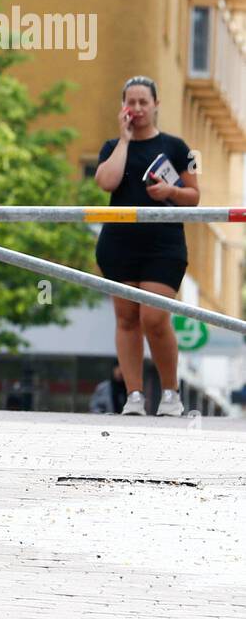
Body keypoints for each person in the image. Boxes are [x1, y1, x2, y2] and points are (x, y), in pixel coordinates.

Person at [93, 75, 198, 418]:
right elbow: (106, 182)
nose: (136, 109)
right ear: (123, 107)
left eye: (143, 102)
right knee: (126, 319)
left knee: (154, 317)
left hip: (164, 245)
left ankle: (171, 393)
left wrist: (170, 193)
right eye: (130, 103)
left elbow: (194, 197)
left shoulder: (178, 147)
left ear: (155, 105)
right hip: (119, 244)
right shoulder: (112, 146)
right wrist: (125, 141)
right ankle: (134, 395)